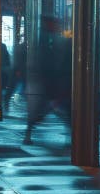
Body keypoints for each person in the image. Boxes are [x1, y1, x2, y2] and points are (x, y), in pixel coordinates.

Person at [23, 16, 72, 145]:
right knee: (58, 110)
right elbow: (49, 61)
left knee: (47, 110)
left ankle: (29, 133)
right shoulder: (49, 39)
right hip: (49, 82)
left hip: (47, 82)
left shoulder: (44, 39)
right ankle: (71, 137)